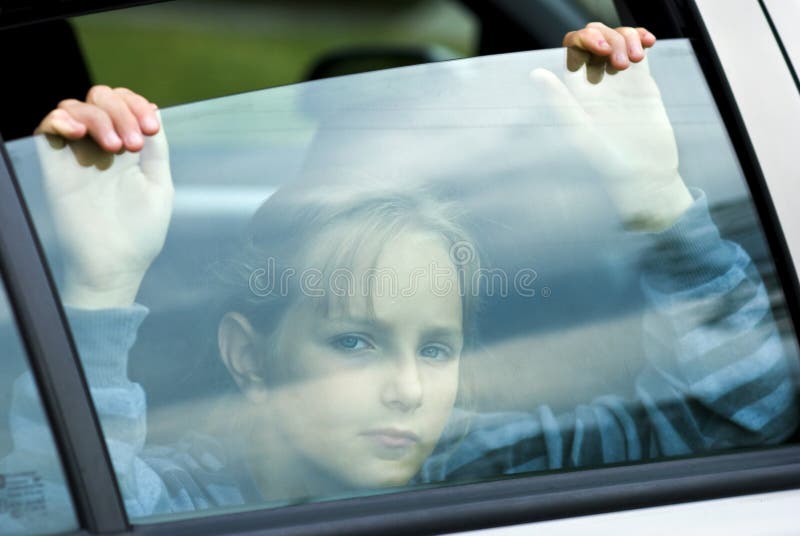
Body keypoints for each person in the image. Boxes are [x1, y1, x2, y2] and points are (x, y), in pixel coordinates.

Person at [3, 22, 797, 527]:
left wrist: (657, 199)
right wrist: (101, 288)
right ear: (248, 354)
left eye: (437, 349)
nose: (409, 391)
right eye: (354, 342)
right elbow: (51, 511)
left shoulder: (482, 458)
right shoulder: (178, 497)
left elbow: (745, 418)